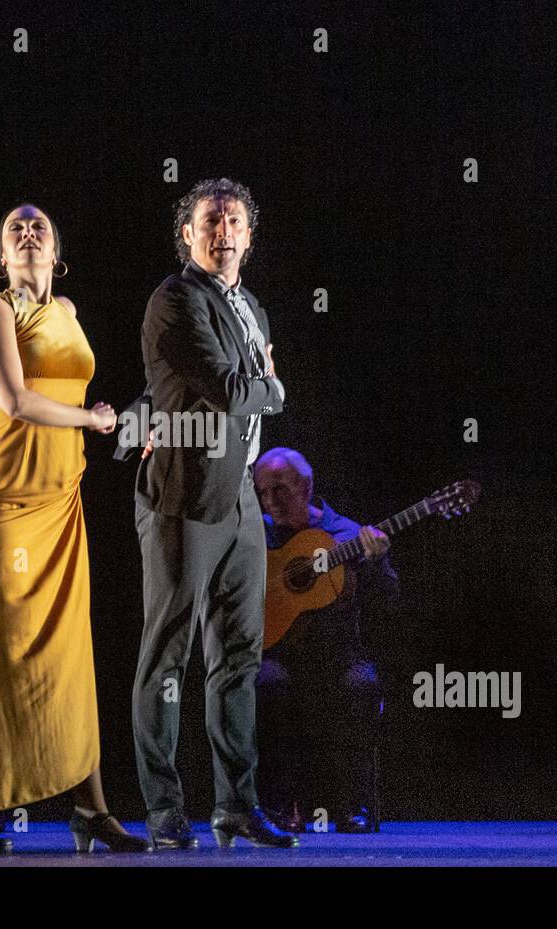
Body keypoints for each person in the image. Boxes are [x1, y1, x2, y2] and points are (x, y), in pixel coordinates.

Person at [0, 203, 148, 854]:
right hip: (0, 505)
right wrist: (94, 421)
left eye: (41, 229)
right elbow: (17, 398)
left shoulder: (71, 313)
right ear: (2, 254)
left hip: (61, 503)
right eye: (15, 229)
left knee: (68, 658)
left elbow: (76, 395)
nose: (29, 234)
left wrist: (120, 427)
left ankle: (91, 807)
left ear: (57, 254)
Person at [130, 178, 296, 849]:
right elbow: (230, 390)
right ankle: (166, 813)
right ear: (188, 236)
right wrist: (273, 388)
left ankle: (235, 806)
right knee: (167, 656)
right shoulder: (176, 297)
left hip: (241, 500)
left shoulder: (249, 305)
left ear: (250, 237)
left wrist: (256, 388)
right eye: (210, 220)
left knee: (237, 658)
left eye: (234, 220)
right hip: (183, 495)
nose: (223, 230)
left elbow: (231, 388)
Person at [252, 447, 397, 833]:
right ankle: (280, 806)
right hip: (279, 652)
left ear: (306, 486)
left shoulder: (348, 535)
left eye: (279, 490)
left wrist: (378, 561)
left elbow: (388, 603)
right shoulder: (256, 535)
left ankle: (354, 806)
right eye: (262, 492)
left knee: (359, 685)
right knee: (266, 683)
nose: (270, 502)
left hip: (338, 656)